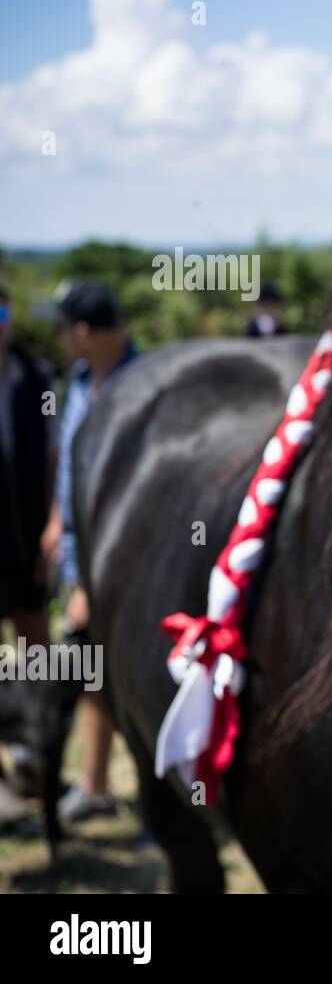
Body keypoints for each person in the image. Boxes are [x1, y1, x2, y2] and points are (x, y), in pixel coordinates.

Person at [39, 282, 139, 825]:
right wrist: (57, 521)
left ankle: (165, 808)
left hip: (118, 564)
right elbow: (71, 464)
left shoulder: (146, 386)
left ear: (81, 330)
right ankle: (96, 784)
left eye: (61, 327)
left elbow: (132, 495)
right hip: (80, 557)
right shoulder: (77, 384)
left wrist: (88, 589)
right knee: (91, 674)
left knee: (131, 681)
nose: (57, 338)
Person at [0, 285, 57, 808]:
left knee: (35, 644)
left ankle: (37, 755)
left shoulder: (36, 379)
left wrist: (52, 529)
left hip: (26, 540)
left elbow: (54, 455)